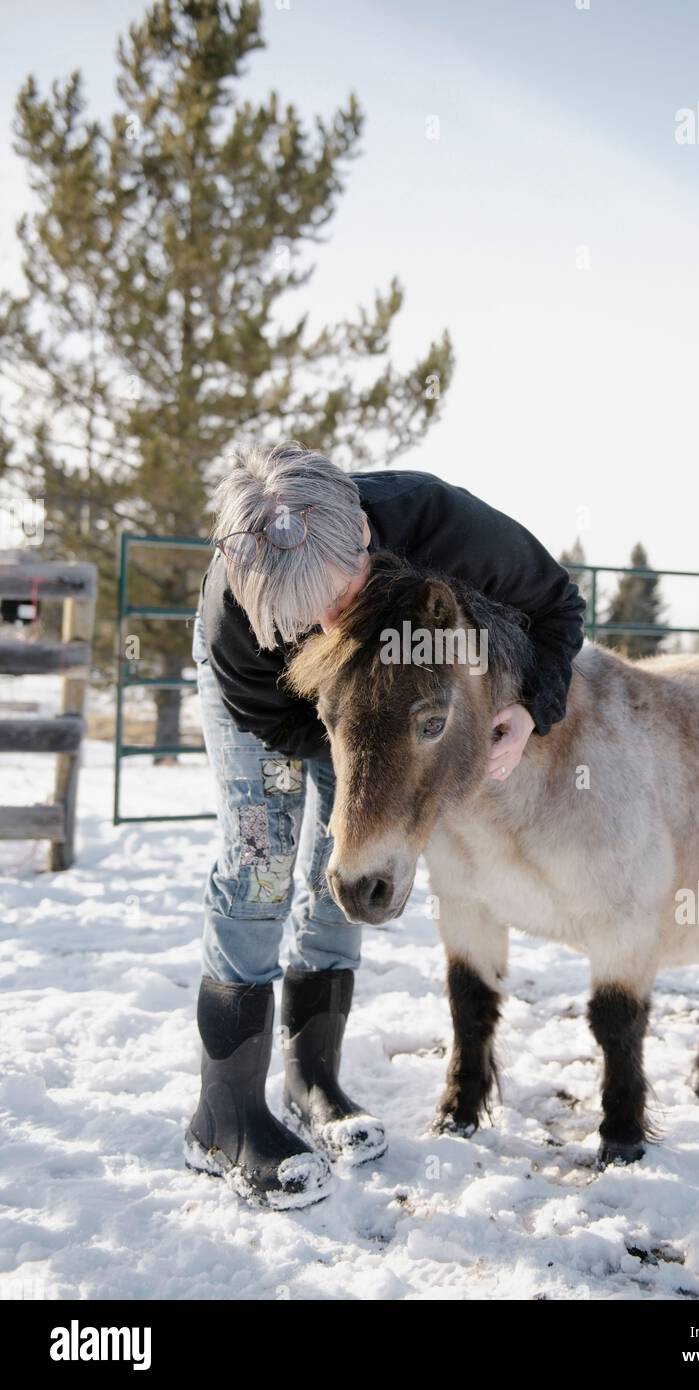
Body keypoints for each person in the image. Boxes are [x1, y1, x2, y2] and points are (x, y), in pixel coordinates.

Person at [185, 442, 586, 1208]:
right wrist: (349, 746)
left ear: (365, 538)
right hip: (272, 703)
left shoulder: (442, 525)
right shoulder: (240, 611)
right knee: (263, 858)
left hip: (374, 699)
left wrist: (532, 707)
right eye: (302, 613)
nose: (325, 620)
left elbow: (556, 604)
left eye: (336, 598)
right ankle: (222, 1114)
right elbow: (268, 716)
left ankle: (313, 1079)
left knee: (339, 865)